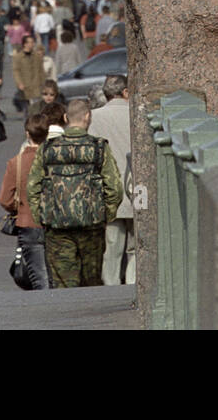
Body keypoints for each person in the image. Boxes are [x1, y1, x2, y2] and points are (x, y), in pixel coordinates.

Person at [27, 97, 122, 288]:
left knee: (64, 283)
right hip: (91, 227)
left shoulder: (47, 148)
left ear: (65, 117)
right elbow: (114, 187)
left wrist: (41, 216)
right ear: (88, 117)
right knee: (91, 281)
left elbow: (32, 187)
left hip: (57, 227)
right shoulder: (98, 148)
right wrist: (106, 214)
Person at [89, 75, 135, 285]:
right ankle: (133, 284)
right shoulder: (137, 112)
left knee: (112, 247)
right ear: (125, 92)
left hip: (109, 190)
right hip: (137, 188)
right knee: (136, 248)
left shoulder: (94, 117)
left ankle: (112, 287)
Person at [0, 112, 51, 290]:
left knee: (39, 277)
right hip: (56, 222)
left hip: (28, 222)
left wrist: (19, 205)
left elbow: (5, 199)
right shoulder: (54, 158)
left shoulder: (16, 163)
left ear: (27, 134)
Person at [11, 34, 45, 114]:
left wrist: (43, 83)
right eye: (29, 42)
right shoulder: (18, 57)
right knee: (27, 109)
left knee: (37, 109)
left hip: (36, 85)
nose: (32, 44)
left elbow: (41, 70)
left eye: (33, 42)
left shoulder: (37, 56)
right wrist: (19, 83)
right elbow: (16, 71)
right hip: (25, 86)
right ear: (24, 44)